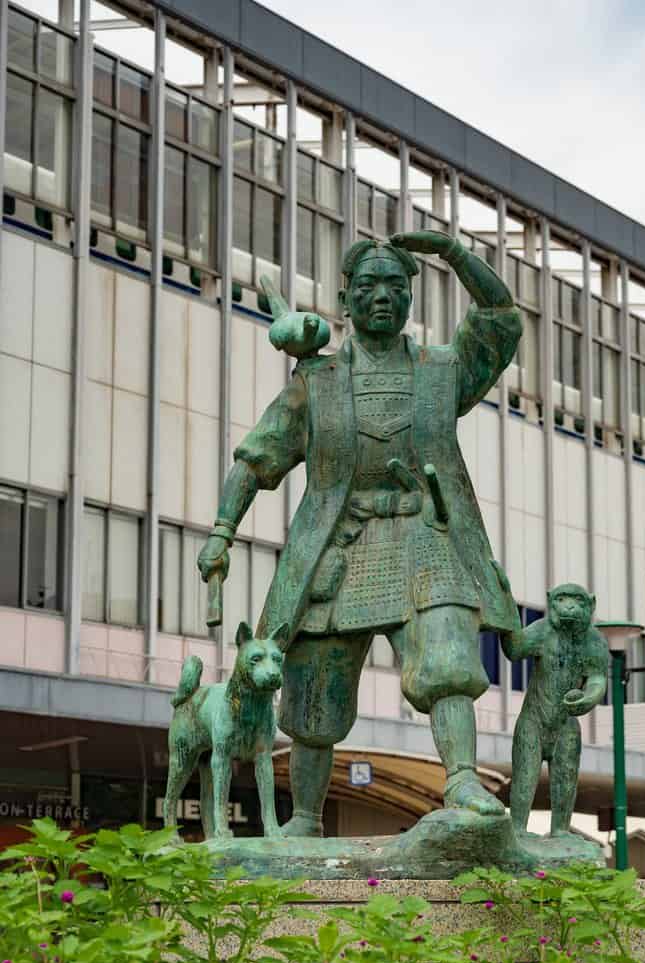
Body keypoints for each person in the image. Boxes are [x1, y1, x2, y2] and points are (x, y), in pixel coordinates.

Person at [197, 231, 522, 836]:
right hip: (338, 545)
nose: (382, 297)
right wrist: (222, 530)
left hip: (425, 532)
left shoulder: (443, 371)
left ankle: (462, 780)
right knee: (314, 694)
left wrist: (453, 255)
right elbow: (256, 458)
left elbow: (501, 320)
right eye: (367, 287)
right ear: (345, 300)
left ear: (409, 300)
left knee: (449, 656)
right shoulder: (316, 383)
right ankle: (306, 818)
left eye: (395, 287)